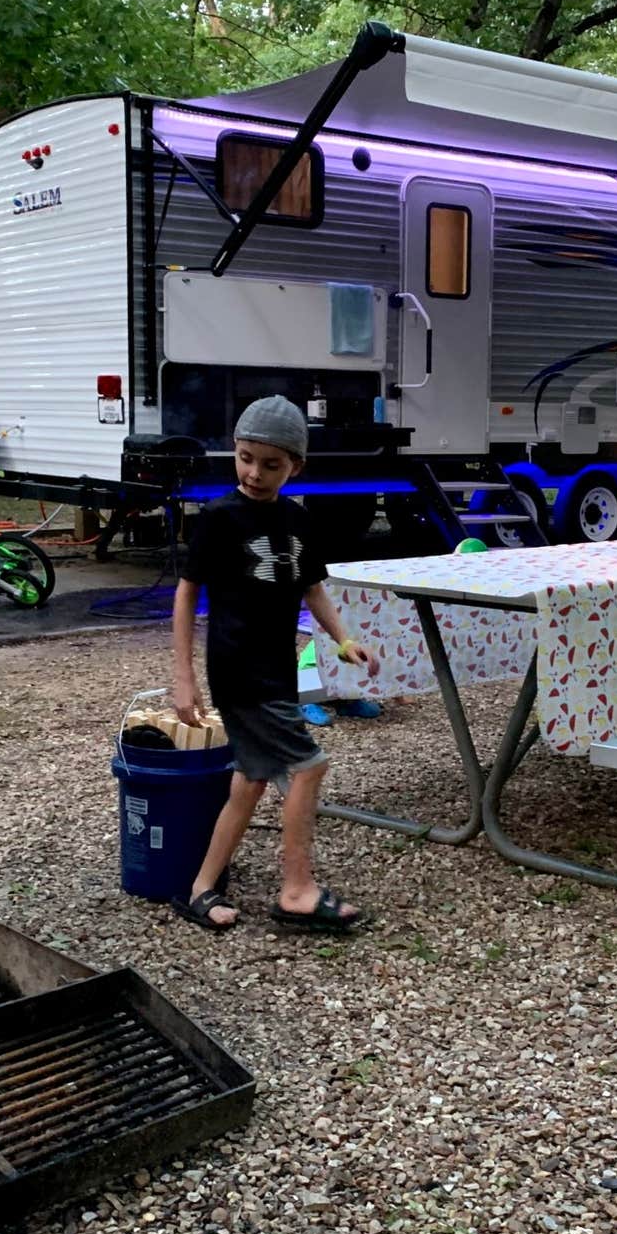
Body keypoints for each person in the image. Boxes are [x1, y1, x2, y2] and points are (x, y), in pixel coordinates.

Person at [171, 396, 378, 933]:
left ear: (295, 467)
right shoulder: (219, 518)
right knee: (309, 766)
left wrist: (343, 640)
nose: (254, 473)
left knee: (251, 780)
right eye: (245, 458)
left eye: (270, 464)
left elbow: (312, 589)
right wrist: (184, 676)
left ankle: (198, 888)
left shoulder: (295, 519)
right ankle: (297, 890)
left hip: (275, 670)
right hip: (240, 671)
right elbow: (187, 593)